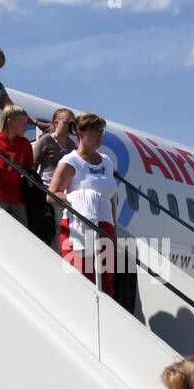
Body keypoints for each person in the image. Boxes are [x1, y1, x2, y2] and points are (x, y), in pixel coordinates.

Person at [49, 113, 118, 296]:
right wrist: (77, 200)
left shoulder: (106, 160)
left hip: (105, 225)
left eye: (101, 132)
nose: (99, 136)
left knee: (106, 281)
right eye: (94, 132)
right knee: (83, 279)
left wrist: (114, 230)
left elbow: (110, 197)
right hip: (79, 226)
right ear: (80, 133)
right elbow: (51, 195)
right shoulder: (71, 161)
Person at [32, 108, 76, 249]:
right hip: (48, 190)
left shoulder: (71, 145)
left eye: (73, 124)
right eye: (67, 123)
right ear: (56, 122)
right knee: (55, 225)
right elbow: (33, 164)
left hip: (65, 192)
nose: (71, 127)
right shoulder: (46, 140)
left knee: (67, 226)